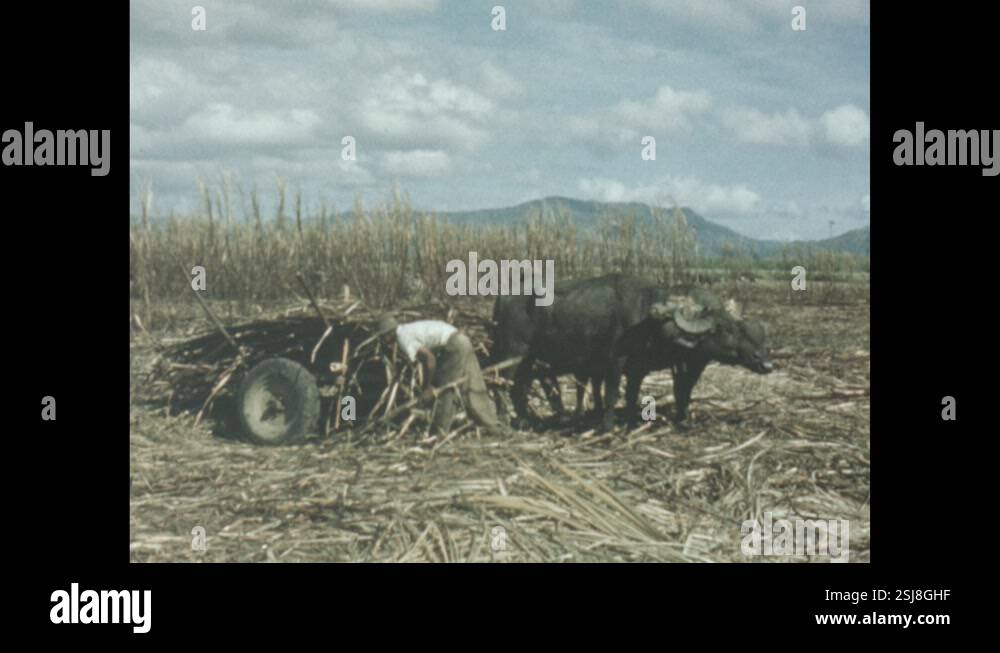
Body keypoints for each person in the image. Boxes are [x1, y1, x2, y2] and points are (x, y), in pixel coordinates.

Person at [376, 313, 507, 437]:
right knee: (473, 384)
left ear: (388, 333)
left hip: (453, 345)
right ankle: (492, 426)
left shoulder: (402, 337)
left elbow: (429, 359)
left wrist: (428, 387)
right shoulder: (407, 329)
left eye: (383, 336)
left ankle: (439, 432)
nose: (384, 340)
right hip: (462, 340)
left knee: (444, 387)